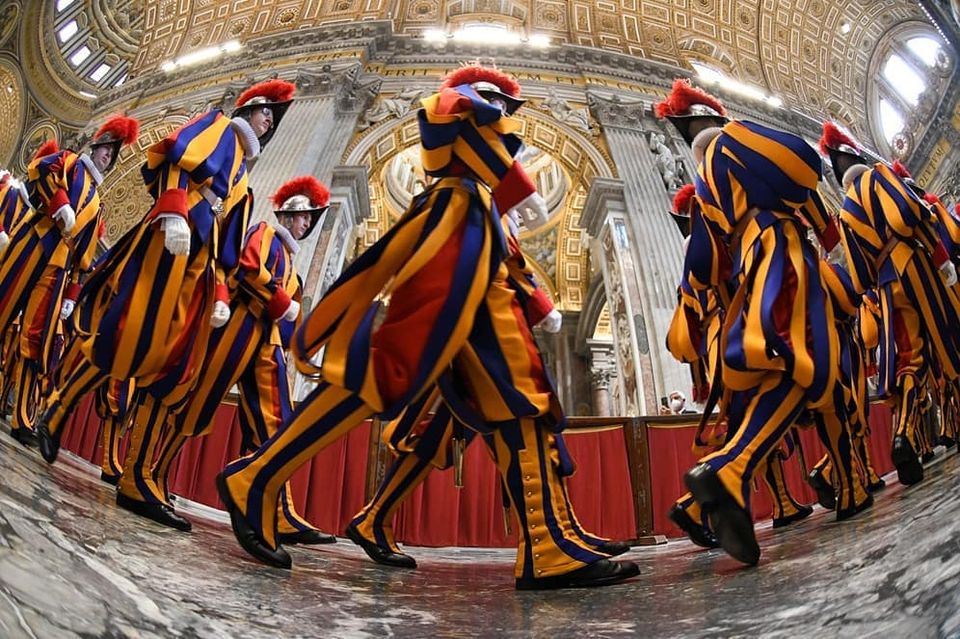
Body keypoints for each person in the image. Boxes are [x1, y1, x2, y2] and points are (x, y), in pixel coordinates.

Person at [216, 65, 639, 589]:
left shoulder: (485, 181)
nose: (508, 117)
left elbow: (506, 237)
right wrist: (511, 167)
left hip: (475, 233)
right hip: (453, 225)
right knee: (385, 368)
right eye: (500, 103)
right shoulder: (455, 112)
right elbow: (452, 127)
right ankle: (257, 476)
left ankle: (549, 544)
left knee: (521, 394)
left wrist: (535, 295)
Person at [36, 80, 296, 532]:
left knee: (172, 367)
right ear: (248, 108)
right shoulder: (218, 129)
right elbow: (175, 156)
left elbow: (227, 247)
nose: (270, 121)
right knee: (129, 336)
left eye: (274, 117)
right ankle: (58, 408)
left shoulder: (245, 182)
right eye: (266, 111)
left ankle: (137, 476)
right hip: (168, 243)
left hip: (199, 266)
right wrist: (174, 209)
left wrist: (218, 296)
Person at [656, 79, 867, 565]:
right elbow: (808, 179)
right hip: (787, 253)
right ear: (714, 117)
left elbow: (705, 266)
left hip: (753, 268)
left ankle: (842, 487)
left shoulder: (706, 184)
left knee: (799, 368)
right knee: (809, 361)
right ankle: (731, 471)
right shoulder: (740, 139)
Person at [347, 209, 628, 568]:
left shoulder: (491, 208)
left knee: (443, 437)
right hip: (471, 340)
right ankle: (547, 544)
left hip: (476, 337)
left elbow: (508, 263)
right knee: (510, 420)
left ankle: (561, 531)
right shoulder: (473, 203)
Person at [146, 175, 336, 543]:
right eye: (303, 217)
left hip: (266, 342)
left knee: (274, 425)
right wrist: (285, 305)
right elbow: (248, 269)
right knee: (197, 405)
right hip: (237, 329)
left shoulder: (291, 265)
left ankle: (278, 511)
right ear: (287, 215)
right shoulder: (265, 233)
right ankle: (155, 472)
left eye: (311, 219)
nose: (307, 223)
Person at [822, 121, 960, 486]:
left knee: (911, 360)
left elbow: (857, 273)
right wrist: (940, 255)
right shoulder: (879, 175)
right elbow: (911, 214)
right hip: (913, 265)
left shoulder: (846, 211)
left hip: (884, 286)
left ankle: (904, 433)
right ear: (856, 155)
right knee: (949, 340)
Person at [0, 119, 138, 445]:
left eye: (114, 154)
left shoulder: (99, 203)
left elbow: (84, 257)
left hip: (59, 269)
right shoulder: (71, 162)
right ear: (97, 145)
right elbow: (40, 168)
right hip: (32, 245)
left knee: (36, 339)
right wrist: (60, 203)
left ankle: (22, 417)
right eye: (107, 149)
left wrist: (72, 295)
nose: (109, 156)